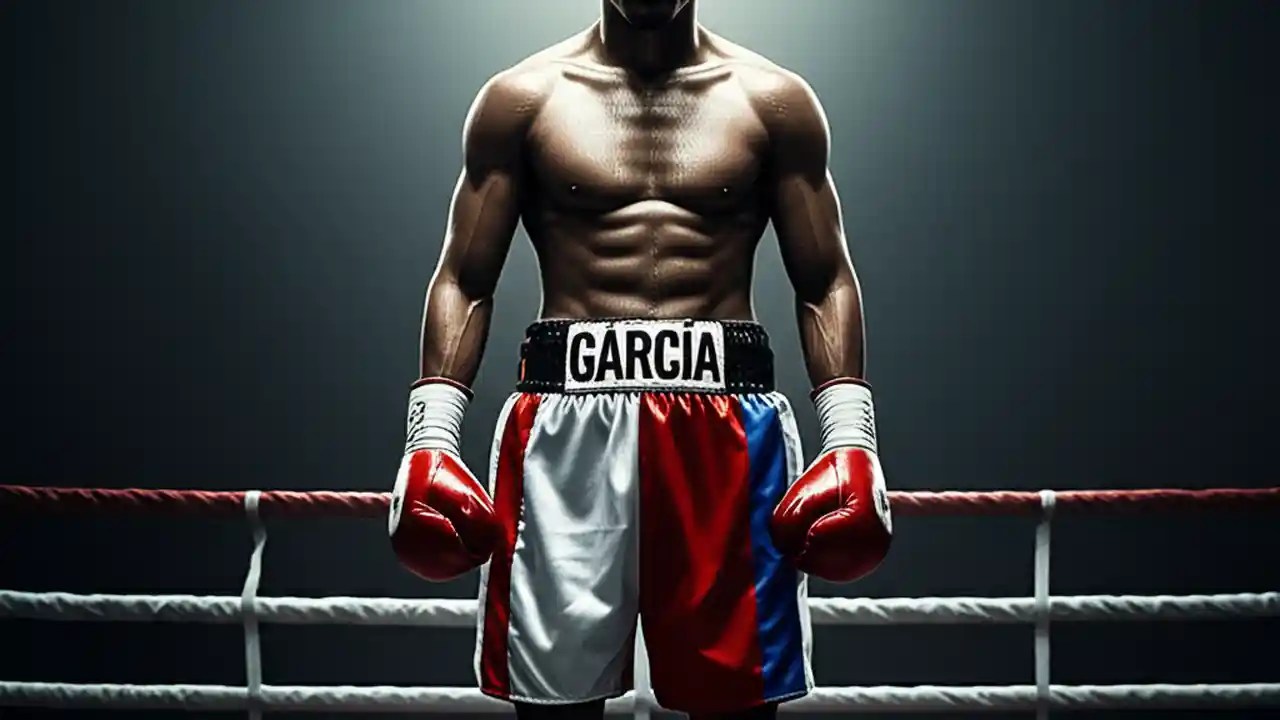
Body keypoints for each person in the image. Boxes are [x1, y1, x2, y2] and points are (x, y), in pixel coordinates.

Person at [387, 1, 892, 718]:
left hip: (727, 430)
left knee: (737, 707)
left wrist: (851, 438)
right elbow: (464, 277)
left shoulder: (773, 101)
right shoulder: (522, 100)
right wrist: (430, 438)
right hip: (565, 434)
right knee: (554, 707)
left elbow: (825, 278)